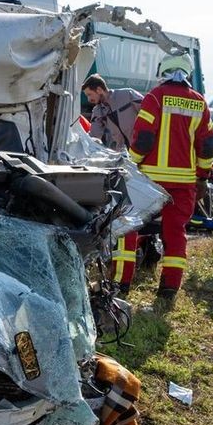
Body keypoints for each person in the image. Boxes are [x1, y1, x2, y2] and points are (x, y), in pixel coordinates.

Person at [128, 55, 213, 302]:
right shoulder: (200, 103)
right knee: (175, 233)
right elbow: (207, 145)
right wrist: (202, 177)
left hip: (150, 181)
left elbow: (143, 138)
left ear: (162, 70)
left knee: (130, 225)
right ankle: (168, 290)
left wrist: (131, 164)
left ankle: (121, 284)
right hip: (185, 181)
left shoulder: (155, 97)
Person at [82, 74, 146, 294]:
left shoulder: (128, 96)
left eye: (90, 94)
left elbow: (151, 117)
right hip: (125, 161)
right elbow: (95, 138)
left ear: (99, 89)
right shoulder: (99, 112)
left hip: (144, 156)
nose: (89, 99)